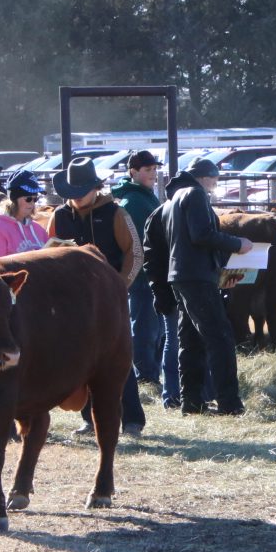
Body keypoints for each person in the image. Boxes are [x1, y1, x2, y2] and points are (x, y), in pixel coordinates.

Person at [50, 157, 146, 436]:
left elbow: (134, 252)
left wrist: (120, 287)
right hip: (73, 302)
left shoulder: (116, 214)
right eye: (73, 192)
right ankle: (90, 418)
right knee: (82, 359)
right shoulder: (59, 216)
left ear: (96, 188)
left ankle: (132, 418)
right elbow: (48, 253)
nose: (77, 197)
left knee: (117, 358)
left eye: (82, 191)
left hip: (109, 299)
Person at [160, 158, 252, 416]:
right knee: (220, 337)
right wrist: (237, 244)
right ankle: (229, 403)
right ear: (203, 177)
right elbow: (201, 235)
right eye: (214, 178)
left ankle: (192, 402)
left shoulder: (172, 201)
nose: (216, 183)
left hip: (180, 275)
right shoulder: (196, 194)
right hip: (198, 277)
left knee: (190, 340)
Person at [110, 150, 166, 392]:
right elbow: (138, 242)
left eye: (154, 169)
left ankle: (151, 372)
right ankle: (145, 375)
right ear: (133, 172)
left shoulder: (144, 196)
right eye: (147, 170)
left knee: (154, 326)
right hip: (143, 274)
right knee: (145, 326)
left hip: (150, 272)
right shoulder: (133, 201)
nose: (153, 174)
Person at [0, 170, 50, 258]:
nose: (32, 203)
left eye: (35, 199)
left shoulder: (38, 229)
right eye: (28, 199)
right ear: (13, 198)